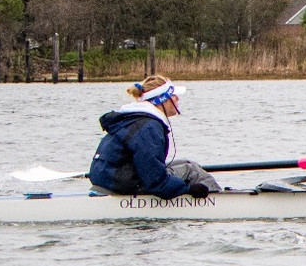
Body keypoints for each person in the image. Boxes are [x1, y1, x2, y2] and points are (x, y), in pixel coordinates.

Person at [87, 76, 221, 198]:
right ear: (162, 99)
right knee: (191, 171)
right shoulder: (149, 127)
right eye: (173, 95)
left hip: (112, 181)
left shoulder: (132, 119)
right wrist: (188, 189)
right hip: (123, 185)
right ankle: (218, 203)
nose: (177, 99)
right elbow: (155, 181)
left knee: (188, 163)